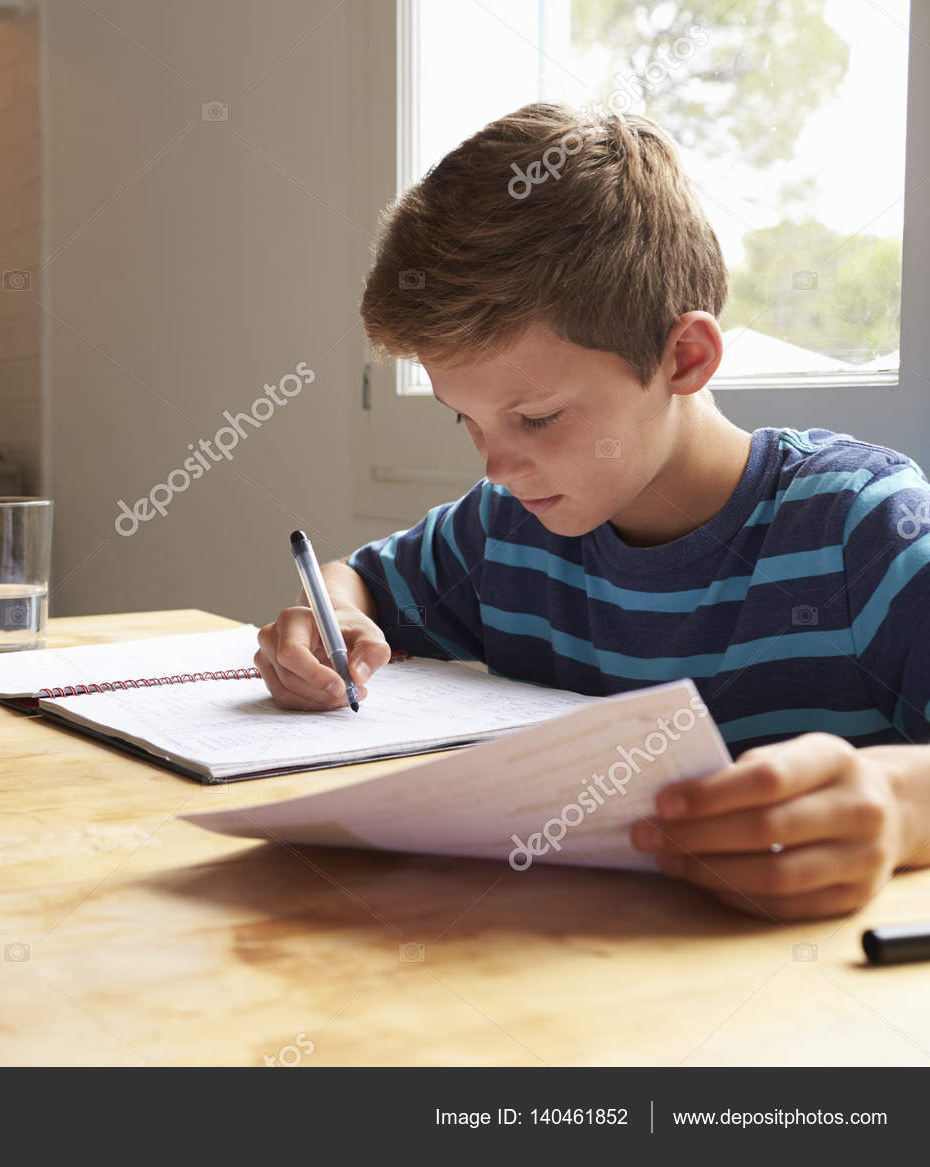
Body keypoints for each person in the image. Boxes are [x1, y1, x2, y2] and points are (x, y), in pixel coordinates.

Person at [255, 103, 930, 920]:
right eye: (463, 417)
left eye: (536, 418)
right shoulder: (508, 532)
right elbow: (360, 584)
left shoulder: (862, 529)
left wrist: (898, 807)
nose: (496, 465)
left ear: (684, 357)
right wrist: (321, 621)